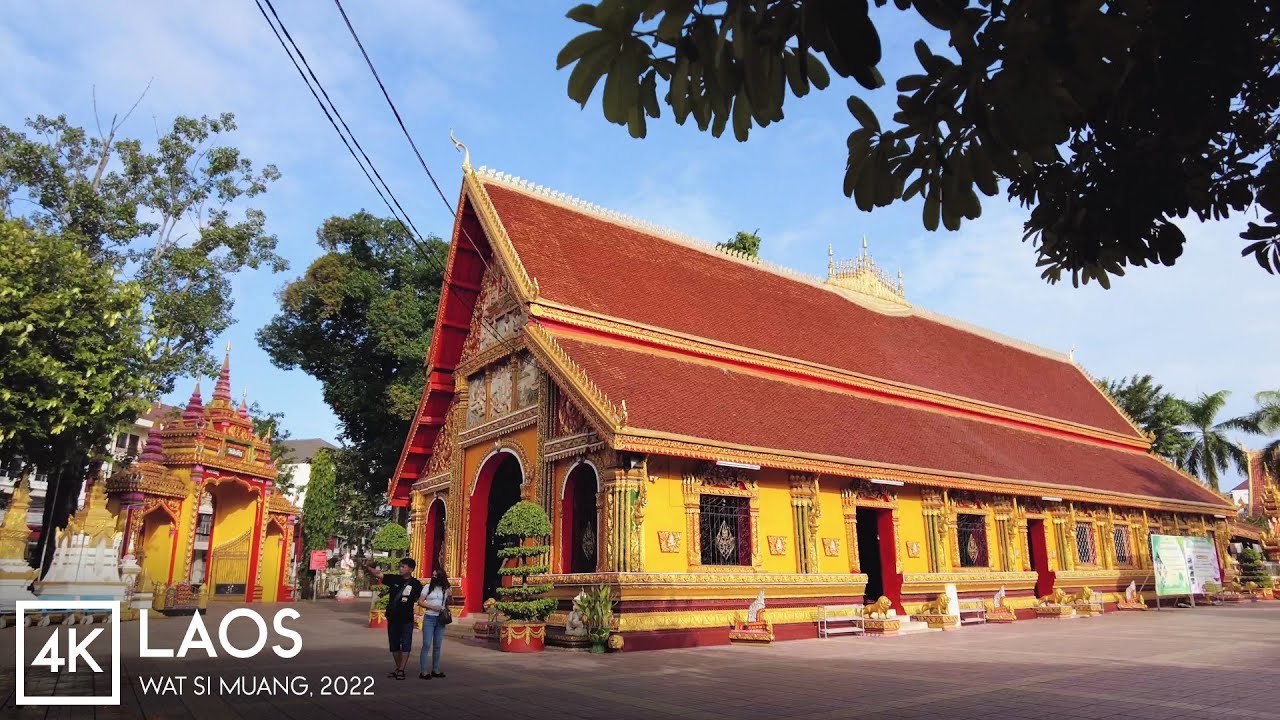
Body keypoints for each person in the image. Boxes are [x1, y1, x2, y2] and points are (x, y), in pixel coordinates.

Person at [362, 556, 421, 681]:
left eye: (403, 567)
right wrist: (368, 567)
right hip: (393, 618)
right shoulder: (393, 579)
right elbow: (378, 574)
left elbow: (421, 598)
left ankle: (401, 670)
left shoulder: (416, 584)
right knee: (394, 645)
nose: (400, 568)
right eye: (400, 566)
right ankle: (399, 667)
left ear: (410, 569)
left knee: (406, 644)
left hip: (407, 619)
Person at [416, 567, 450, 680]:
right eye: (433, 575)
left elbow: (448, 602)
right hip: (430, 617)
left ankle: (436, 669)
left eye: (436, 576)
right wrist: (432, 607)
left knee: (437, 645)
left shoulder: (445, 588)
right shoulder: (427, 587)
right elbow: (420, 601)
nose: (434, 577)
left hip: (440, 619)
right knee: (426, 644)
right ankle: (423, 671)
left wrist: (450, 597)